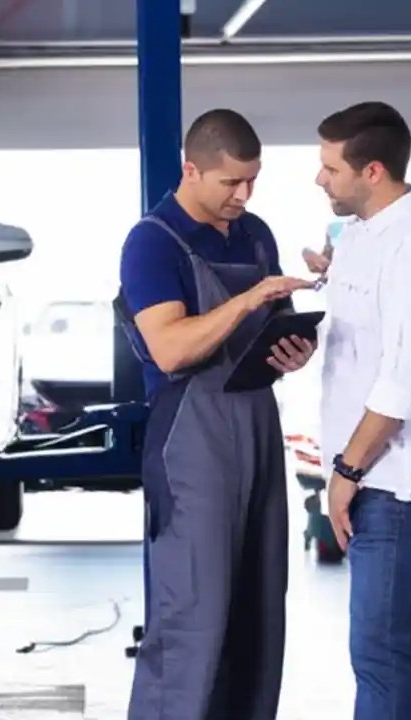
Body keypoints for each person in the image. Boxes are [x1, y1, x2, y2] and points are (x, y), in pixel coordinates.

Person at [115, 108, 316, 720]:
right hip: (189, 442)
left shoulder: (255, 234)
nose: (244, 195)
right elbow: (170, 348)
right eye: (231, 182)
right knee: (192, 617)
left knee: (258, 610)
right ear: (190, 170)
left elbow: (268, 332)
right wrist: (251, 299)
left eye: (253, 180)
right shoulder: (152, 241)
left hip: (256, 424)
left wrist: (292, 349)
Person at [312, 100, 411, 719]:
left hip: (397, 482)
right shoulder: (362, 235)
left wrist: (345, 475)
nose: (320, 178)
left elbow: (403, 382)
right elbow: (367, 339)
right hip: (379, 477)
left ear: (372, 170)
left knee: (378, 654)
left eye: (330, 168)